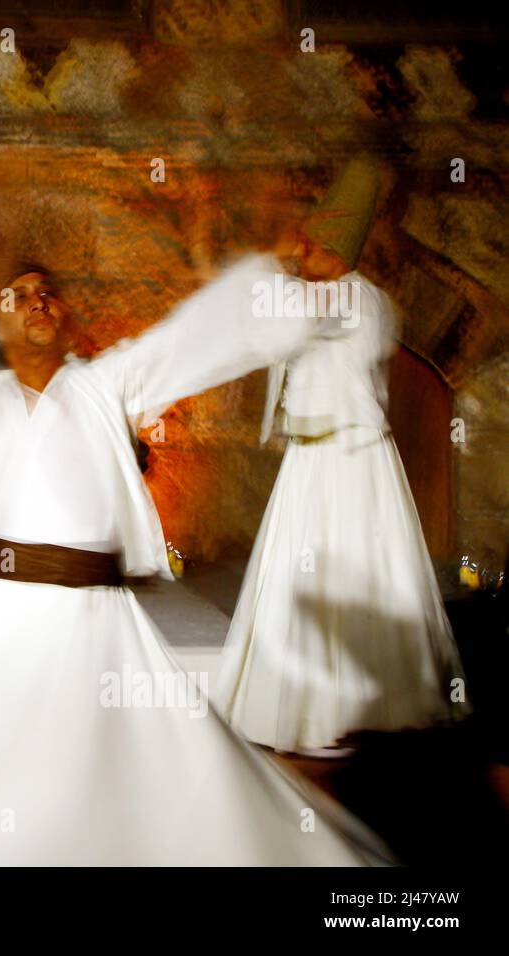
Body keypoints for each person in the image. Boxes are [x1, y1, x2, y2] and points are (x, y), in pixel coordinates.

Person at [0, 150, 391, 864]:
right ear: (1, 325)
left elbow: (204, 332)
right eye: (17, 295)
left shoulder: (109, 382)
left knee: (155, 806)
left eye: (48, 292)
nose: (36, 301)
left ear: (71, 317)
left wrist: (281, 269)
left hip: (101, 626)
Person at [213, 155, 468, 756]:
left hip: (352, 464)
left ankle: (353, 712)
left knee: (349, 574)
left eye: (309, 247)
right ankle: (300, 709)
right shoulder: (320, 299)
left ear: (333, 248)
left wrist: (264, 260)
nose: (301, 258)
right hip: (311, 462)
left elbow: (295, 314)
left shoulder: (358, 302)